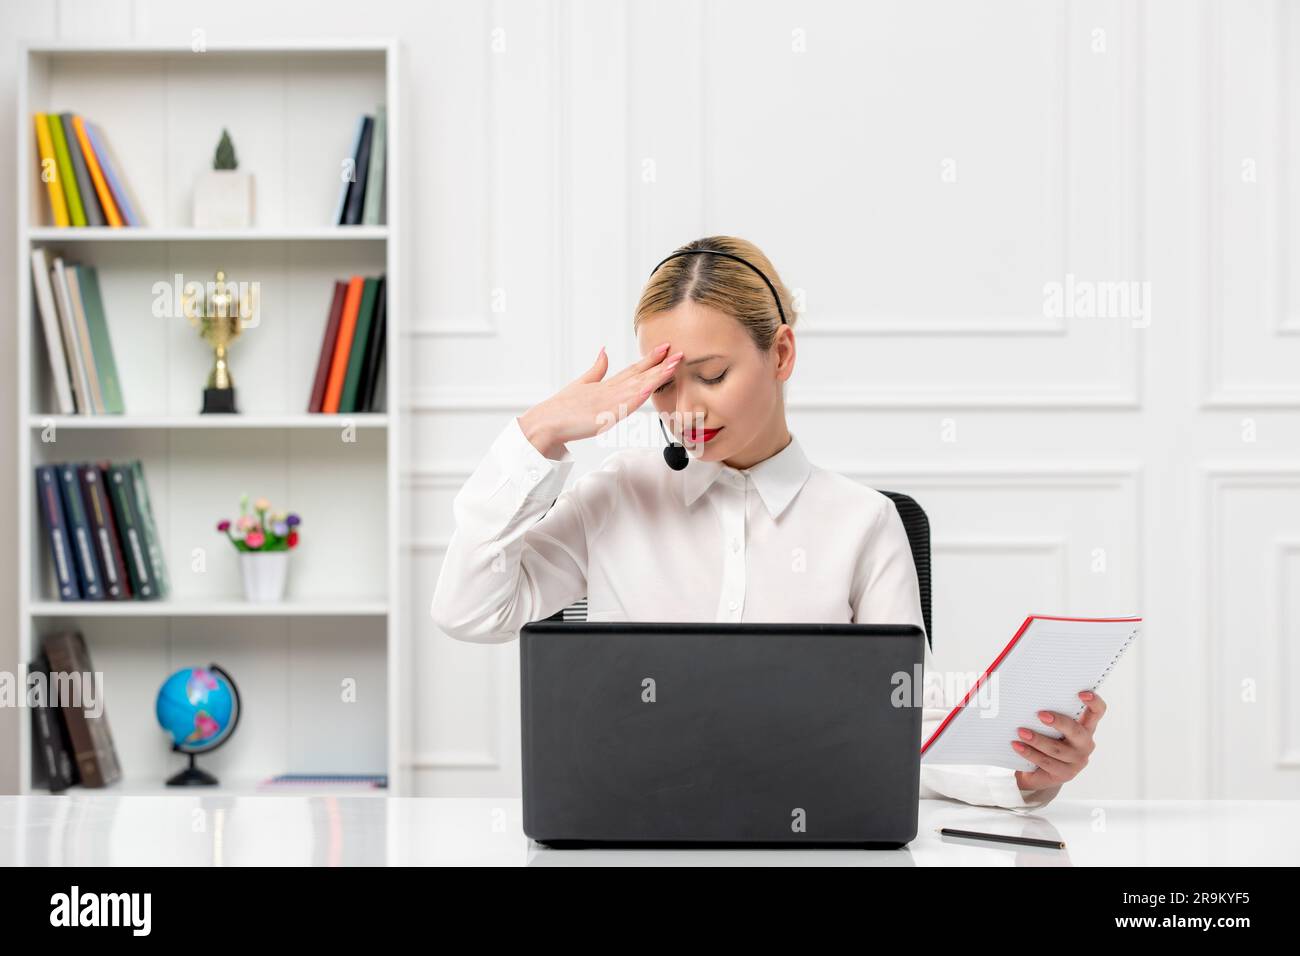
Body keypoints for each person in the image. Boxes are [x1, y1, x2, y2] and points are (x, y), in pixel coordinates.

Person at [430, 235, 1105, 810]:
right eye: (662, 385)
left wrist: (1023, 775)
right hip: (640, 837)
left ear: (780, 355)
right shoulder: (616, 496)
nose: (683, 408)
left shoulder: (864, 524)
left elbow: (902, 736)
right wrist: (539, 433)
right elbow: (468, 610)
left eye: (712, 374)